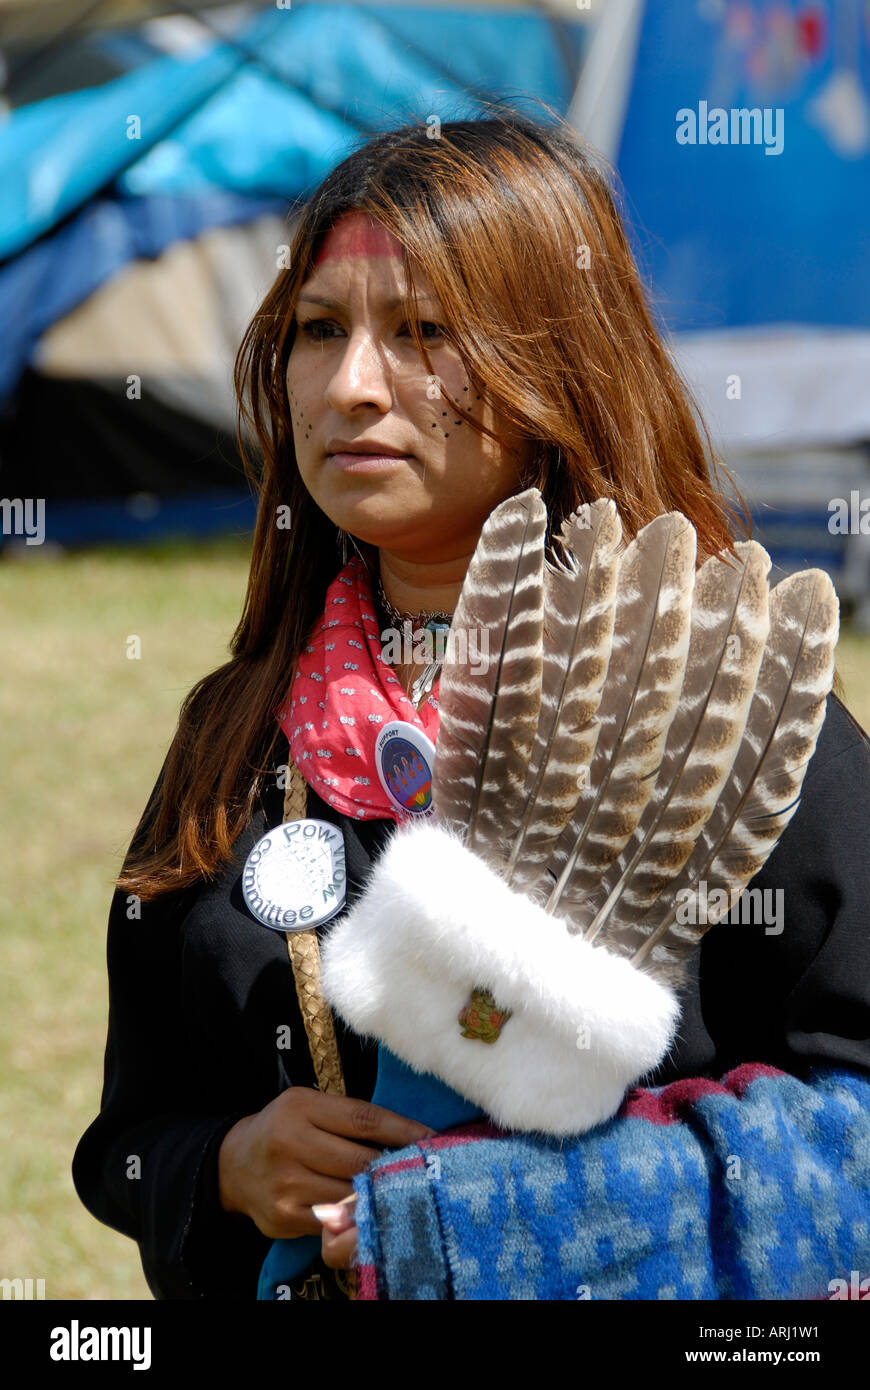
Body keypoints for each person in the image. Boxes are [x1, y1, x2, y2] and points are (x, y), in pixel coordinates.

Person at [72, 110, 870, 1301]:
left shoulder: (719, 707)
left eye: (423, 332)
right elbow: (128, 1139)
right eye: (319, 330)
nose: (350, 387)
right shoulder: (239, 735)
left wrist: (534, 1221)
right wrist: (229, 1165)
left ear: (558, 361)